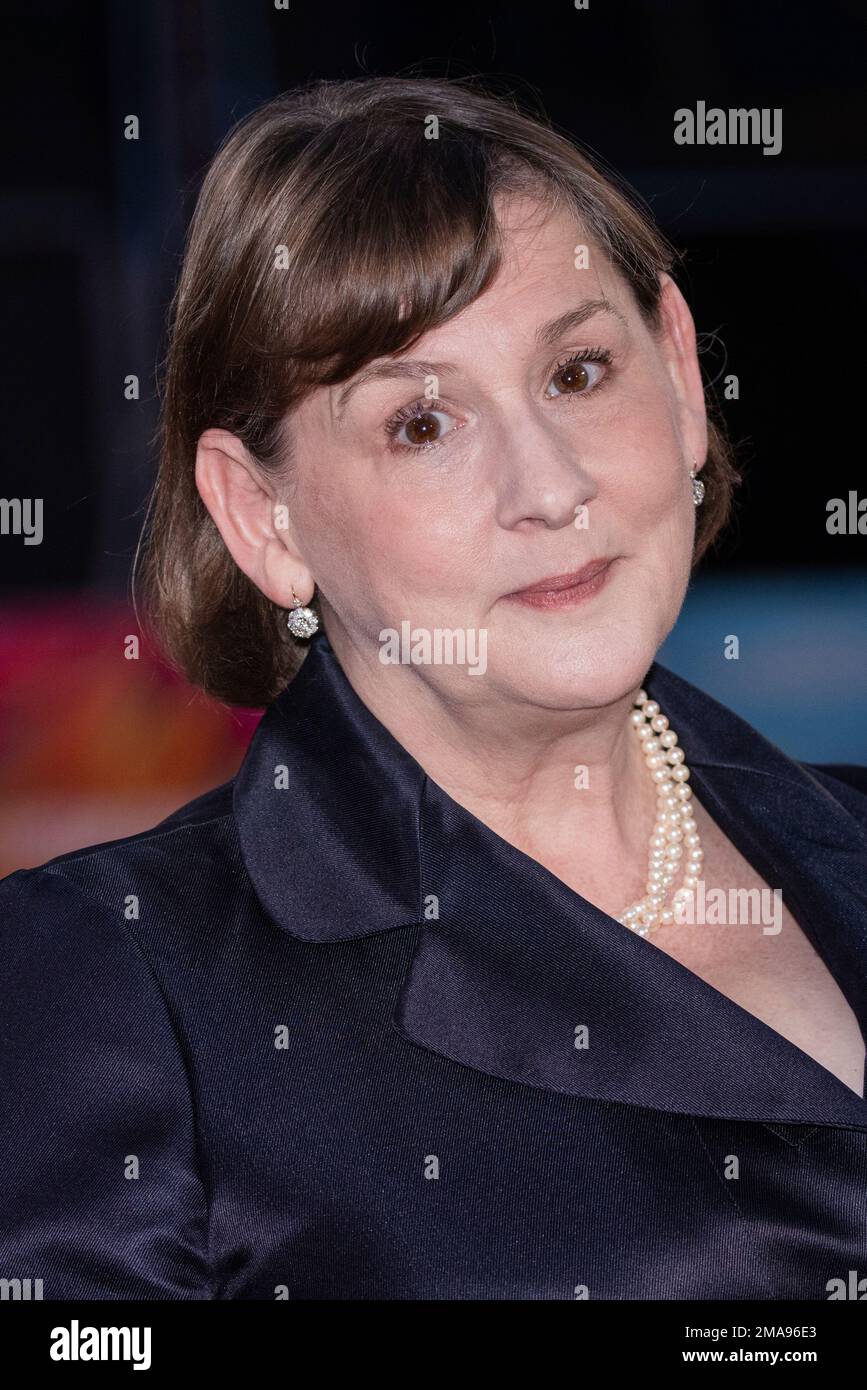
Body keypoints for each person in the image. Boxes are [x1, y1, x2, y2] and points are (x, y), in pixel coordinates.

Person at [2, 75, 866, 1302]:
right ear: (265, 515)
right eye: (422, 425)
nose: (548, 485)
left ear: (677, 370)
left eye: (577, 372)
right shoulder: (125, 987)